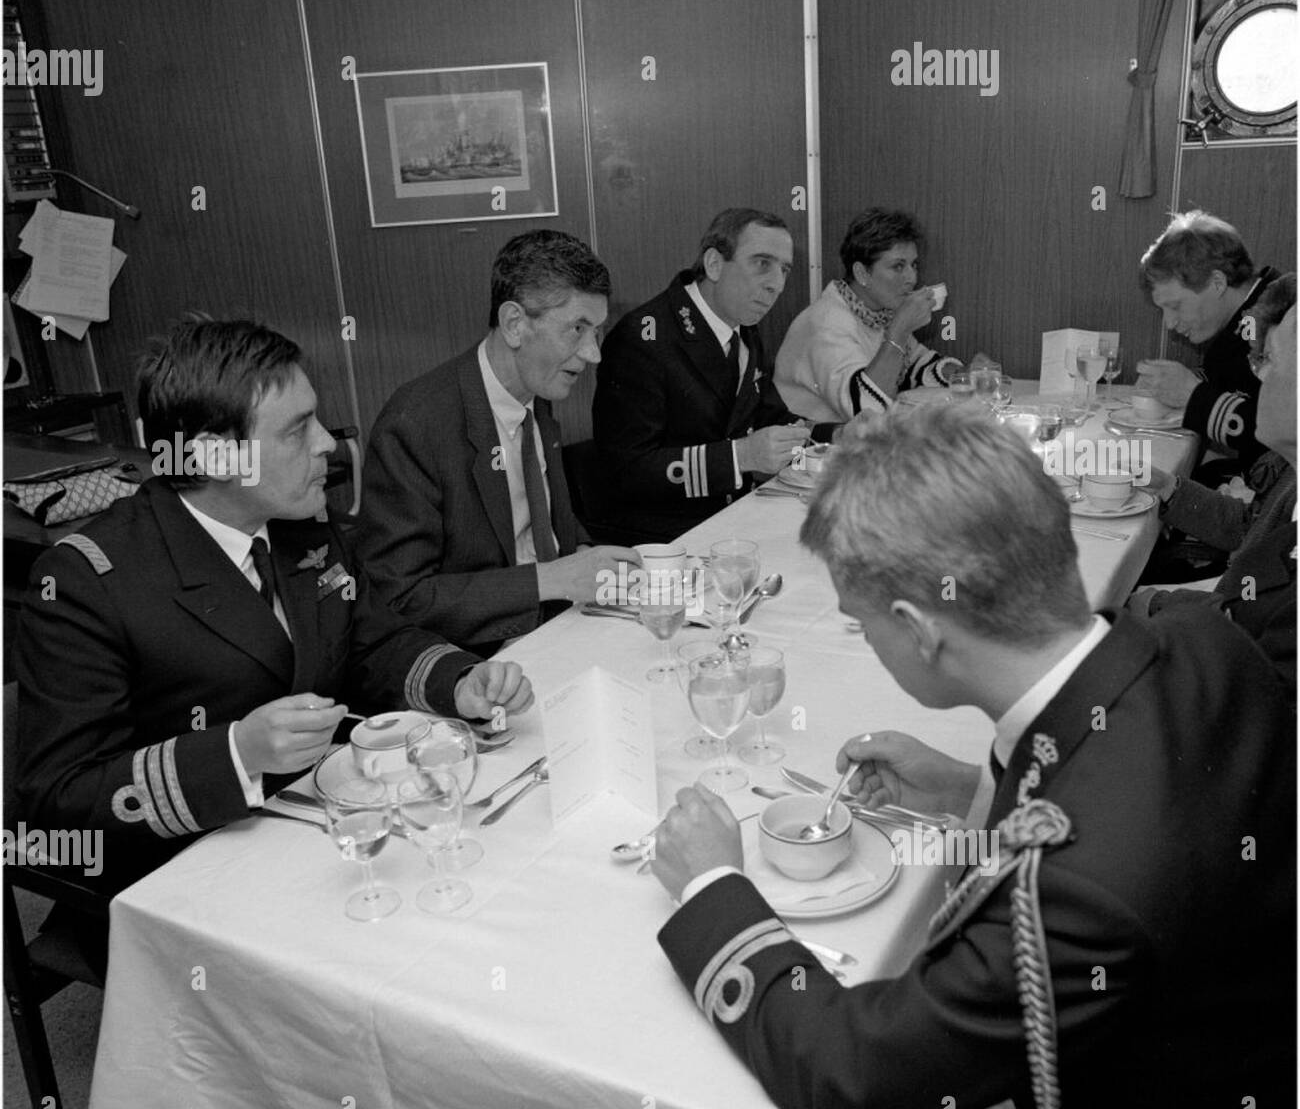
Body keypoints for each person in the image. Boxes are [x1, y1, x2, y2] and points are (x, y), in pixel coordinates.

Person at [650, 402, 1294, 1109]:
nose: (865, 636)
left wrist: (713, 885)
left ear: (919, 631)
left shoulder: (1076, 892)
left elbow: (846, 1075)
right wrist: (964, 787)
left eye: (863, 619)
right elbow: (1106, 781)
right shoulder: (1193, 633)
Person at [15, 318, 533, 895]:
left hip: (319, 826)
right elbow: (59, 799)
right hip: (187, 871)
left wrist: (457, 681)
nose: (328, 444)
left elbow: (370, 640)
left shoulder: (301, 527)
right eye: (296, 430)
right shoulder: (88, 580)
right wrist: (236, 753)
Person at [356, 230, 641, 653]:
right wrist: (556, 578)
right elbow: (400, 599)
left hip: (561, 625)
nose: (593, 353)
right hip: (478, 660)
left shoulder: (537, 394)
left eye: (596, 332)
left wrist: (588, 558)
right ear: (514, 324)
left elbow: (540, 523)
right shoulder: (415, 425)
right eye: (577, 329)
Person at [591, 208, 816, 543]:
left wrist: (836, 436)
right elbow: (626, 470)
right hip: (661, 537)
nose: (777, 285)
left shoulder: (741, 327)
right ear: (713, 265)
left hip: (730, 518)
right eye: (761, 264)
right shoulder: (644, 338)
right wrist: (740, 456)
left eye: (784, 270)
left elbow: (771, 416)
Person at [1130, 274, 1296, 696]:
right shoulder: (1291, 476)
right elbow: (1249, 528)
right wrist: (1165, 486)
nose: (1256, 377)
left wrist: (1152, 607)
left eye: (1269, 360)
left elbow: (1244, 631)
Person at [774, 207, 993, 422]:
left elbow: (914, 366)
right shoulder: (826, 324)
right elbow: (866, 411)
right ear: (862, 273)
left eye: (913, 265)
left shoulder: (877, 312)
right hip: (810, 450)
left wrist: (963, 374)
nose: (912, 278)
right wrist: (899, 331)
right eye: (898, 266)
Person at [1135, 210, 1281, 467]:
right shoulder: (1242, 316)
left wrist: (1192, 395)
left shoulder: (1285, 323)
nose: (1169, 323)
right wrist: (1172, 386)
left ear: (1217, 282)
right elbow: (1230, 376)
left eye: (1176, 306)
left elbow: (1281, 432)